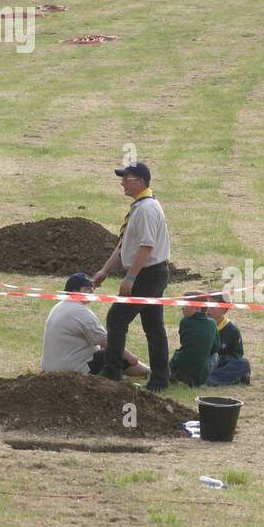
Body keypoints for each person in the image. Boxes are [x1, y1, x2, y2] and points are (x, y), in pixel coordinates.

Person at [92, 161, 171, 392]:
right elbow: (124, 245)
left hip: (148, 274)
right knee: (154, 327)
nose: (122, 184)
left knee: (117, 319)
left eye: (127, 179)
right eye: (122, 179)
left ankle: (112, 371)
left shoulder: (146, 209)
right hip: (152, 273)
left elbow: (146, 247)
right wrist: (105, 271)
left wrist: (131, 278)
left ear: (142, 182)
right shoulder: (141, 206)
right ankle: (160, 378)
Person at [42, 273, 150, 377]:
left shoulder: (59, 306)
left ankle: (149, 371)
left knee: (109, 353)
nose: (91, 291)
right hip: (72, 370)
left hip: (50, 368)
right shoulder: (80, 312)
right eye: (86, 288)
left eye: (91, 288)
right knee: (114, 353)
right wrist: (132, 358)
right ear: (74, 291)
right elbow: (107, 342)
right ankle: (151, 372)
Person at [169, 301, 219, 387]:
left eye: (185, 305)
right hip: (200, 377)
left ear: (197, 308)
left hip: (178, 370)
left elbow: (183, 341)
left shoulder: (184, 322)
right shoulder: (213, 323)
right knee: (215, 356)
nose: (182, 307)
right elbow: (215, 347)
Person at [206, 303, 251, 386]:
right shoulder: (201, 324)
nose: (208, 308)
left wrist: (219, 360)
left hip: (221, 366)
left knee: (244, 363)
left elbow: (237, 355)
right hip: (203, 363)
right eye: (206, 305)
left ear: (223, 309)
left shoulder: (232, 331)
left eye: (212, 306)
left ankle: (209, 379)